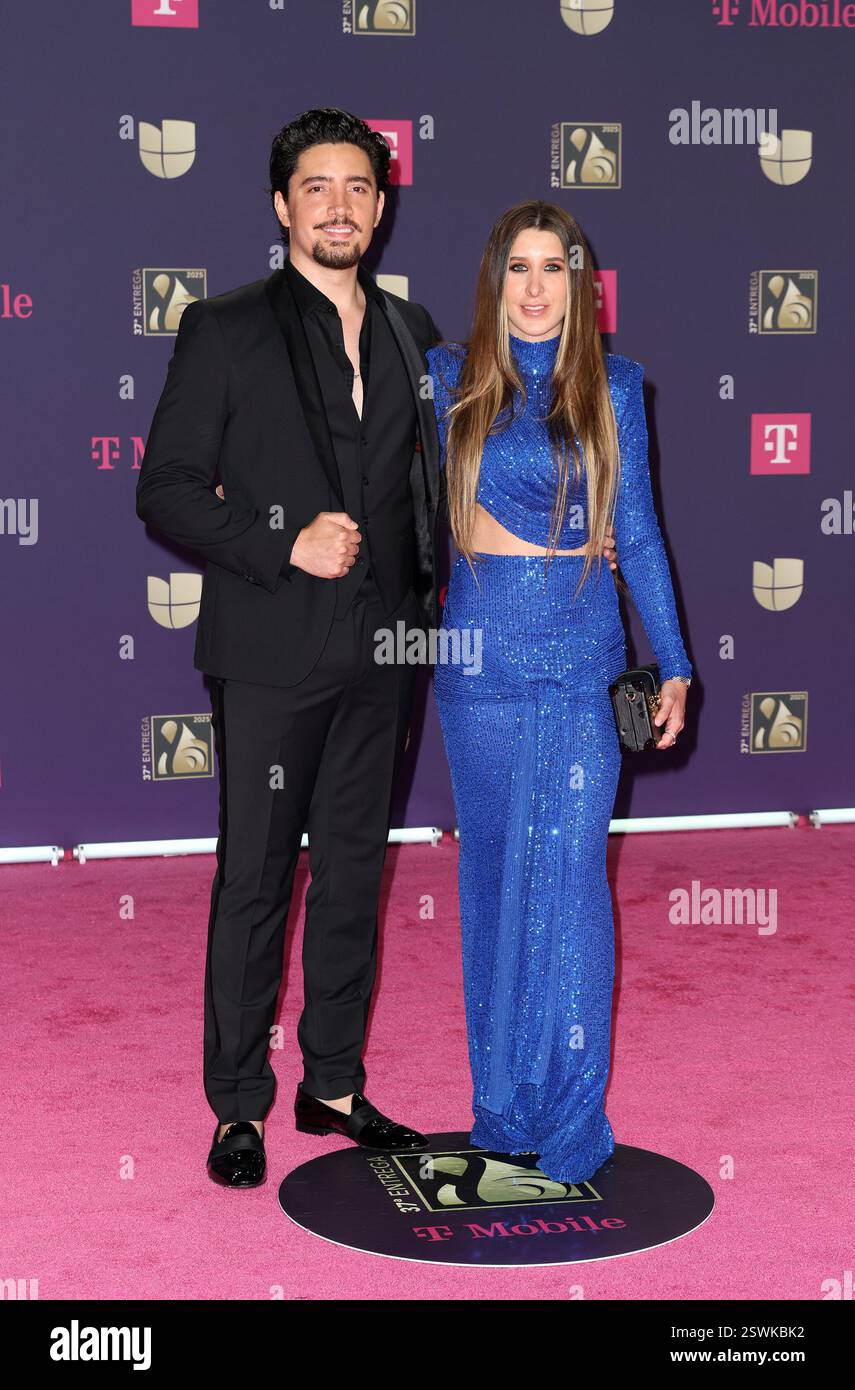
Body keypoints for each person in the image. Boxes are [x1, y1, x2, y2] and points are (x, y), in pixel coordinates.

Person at [136, 108, 447, 1187]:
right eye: (316, 187)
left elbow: (431, 490)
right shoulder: (224, 327)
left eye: (358, 187)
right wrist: (282, 540)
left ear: (382, 203)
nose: (340, 207)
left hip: (383, 657)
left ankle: (333, 1083)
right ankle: (237, 1103)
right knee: (259, 879)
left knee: (356, 873)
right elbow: (165, 489)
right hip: (270, 652)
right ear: (281, 206)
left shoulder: (413, 330)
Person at [426, 200, 692, 1184]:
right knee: (493, 878)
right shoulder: (446, 380)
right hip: (476, 664)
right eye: (518, 268)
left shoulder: (615, 388)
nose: (536, 288)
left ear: (579, 286)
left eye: (554, 268)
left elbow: (646, 535)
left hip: (578, 657)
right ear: (494, 282)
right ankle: (502, 1103)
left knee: (573, 882)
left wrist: (675, 660)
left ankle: (577, 1113)